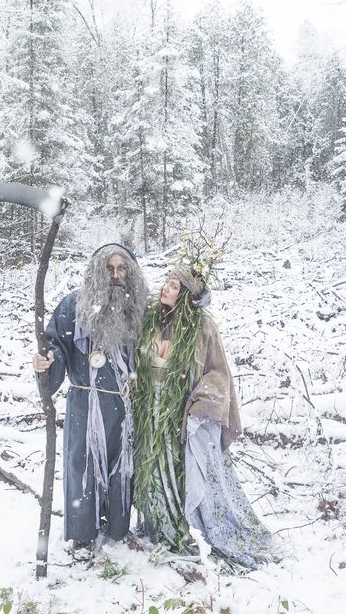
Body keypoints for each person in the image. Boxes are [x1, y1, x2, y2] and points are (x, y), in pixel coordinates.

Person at [132, 264, 273, 571]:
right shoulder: (152, 319)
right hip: (150, 409)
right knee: (155, 469)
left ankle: (189, 527)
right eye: (166, 283)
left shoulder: (202, 326)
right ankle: (161, 526)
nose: (165, 288)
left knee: (182, 468)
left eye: (174, 285)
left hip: (179, 410)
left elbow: (218, 372)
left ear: (186, 295)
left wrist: (199, 405)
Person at [33, 244, 148, 554]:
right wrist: (48, 362)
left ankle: (117, 528)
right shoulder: (74, 306)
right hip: (86, 403)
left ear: (130, 272)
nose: (115, 275)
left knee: (122, 467)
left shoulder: (138, 308)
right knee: (81, 465)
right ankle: (83, 534)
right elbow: (56, 345)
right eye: (108, 269)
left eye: (121, 269)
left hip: (125, 407)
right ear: (96, 271)